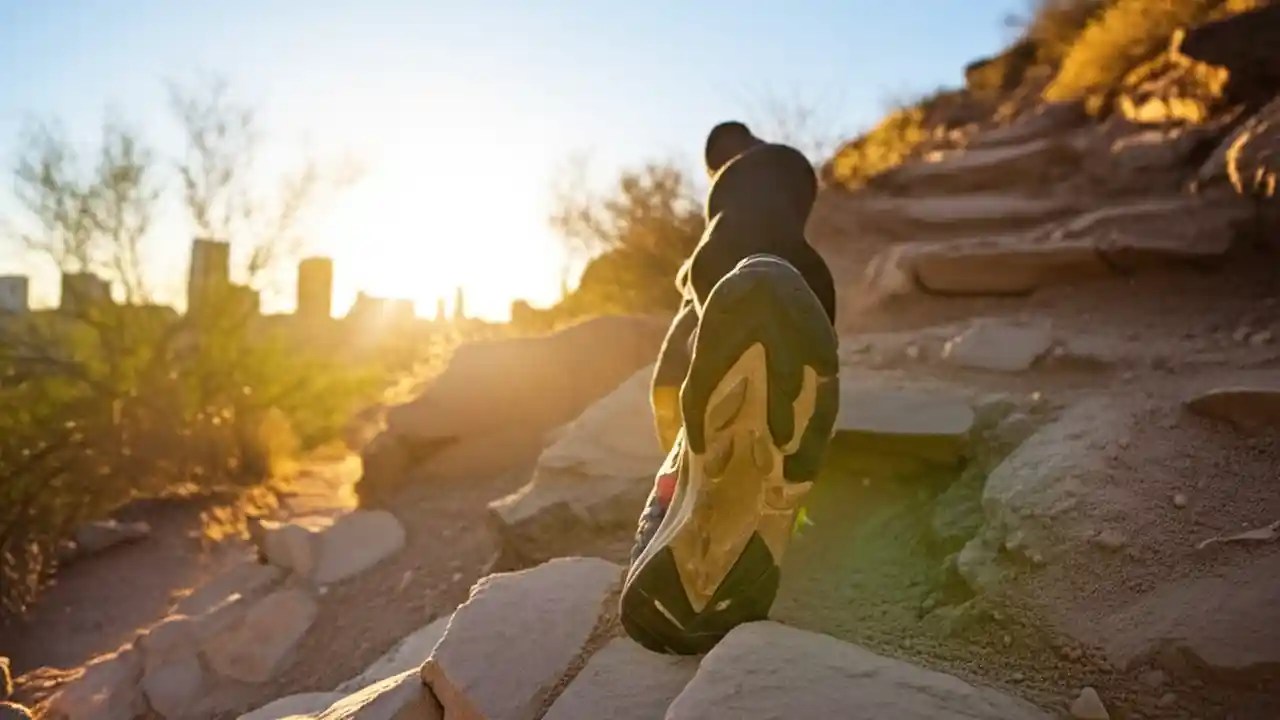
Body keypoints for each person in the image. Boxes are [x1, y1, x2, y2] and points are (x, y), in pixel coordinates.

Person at [619, 121, 840, 655]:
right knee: (759, 292)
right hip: (783, 269)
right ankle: (702, 484)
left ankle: (671, 494)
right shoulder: (784, 175)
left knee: (731, 292)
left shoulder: (753, 170)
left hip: (734, 252)